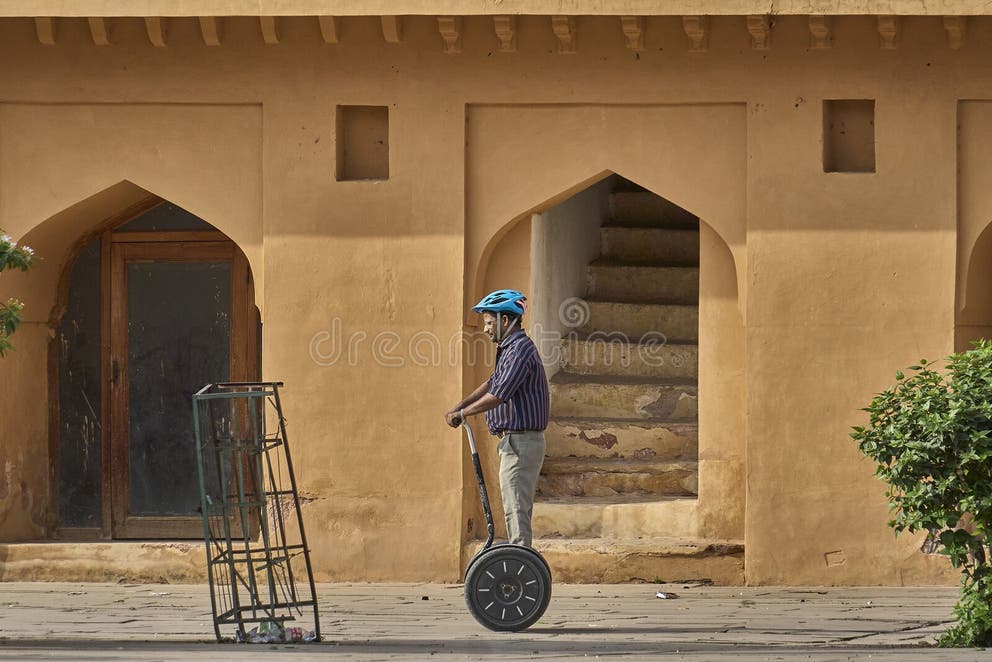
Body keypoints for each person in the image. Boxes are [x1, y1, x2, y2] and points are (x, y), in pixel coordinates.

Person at [445, 289, 550, 549]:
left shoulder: (520, 351)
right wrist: (459, 406)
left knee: (516, 511)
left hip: (521, 443)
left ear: (505, 320)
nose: (486, 329)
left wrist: (463, 414)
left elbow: (499, 394)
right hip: (514, 443)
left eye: (489, 322)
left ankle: (523, 571)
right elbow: (492, 383)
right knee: (514, 509)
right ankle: (522, 566)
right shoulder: (510, 349)